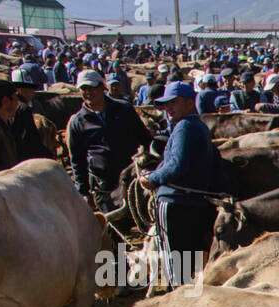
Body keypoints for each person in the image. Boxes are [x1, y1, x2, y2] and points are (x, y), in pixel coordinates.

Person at [140, 81, 220, 290]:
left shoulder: (184, 127)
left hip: (175, 202)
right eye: (165, 105)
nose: (168, 109)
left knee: (175, 266)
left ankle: (178, 303)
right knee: (189, 262)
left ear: (189, 102)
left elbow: (176, 165)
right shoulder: (199, 126)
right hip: (194, 203)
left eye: (173, 103)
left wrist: (152, 178)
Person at [66, 69, 151, 210]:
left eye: (92, 88)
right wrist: (83, 192)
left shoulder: (124, 109)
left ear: (102, 87)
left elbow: (144, 138)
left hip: (132, 180)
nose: (88, 93)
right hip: (103, 186)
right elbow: (77, 160)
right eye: (83, 89)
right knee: (113, 227)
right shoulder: (77, 122)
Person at [9, 68, 54, 161]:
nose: (32, 92)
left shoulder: (11, 107)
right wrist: (48, 155)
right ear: (19, 89)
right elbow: (31, 140)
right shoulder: (23, 109)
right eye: (29, 88)